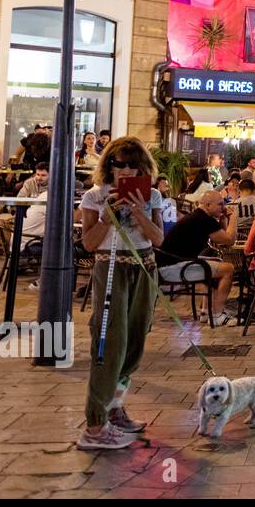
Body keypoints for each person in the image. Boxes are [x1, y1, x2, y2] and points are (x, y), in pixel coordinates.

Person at [77, 136, 165, 451]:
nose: (125, 170)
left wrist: (140, 211)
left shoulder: (152, 195)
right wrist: (106, 216)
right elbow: (88, 243)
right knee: (109, 340)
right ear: (109, 166)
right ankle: (95, 425)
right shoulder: (94, 196)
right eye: (118, 164)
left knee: (136, 342)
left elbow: (158, 240)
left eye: (132, 164)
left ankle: (114, 408)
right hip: (110, 267)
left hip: (144, 268)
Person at [157, 190, 238, 326]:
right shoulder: (204, 220)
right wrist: (234, 216)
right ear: (207, 205)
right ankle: (217, 315)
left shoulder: (199, 217)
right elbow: (229, 240)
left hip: (170, 264)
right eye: (219, 204)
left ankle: (206, 312)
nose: (223, 208)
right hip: (174, 268)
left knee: (216, 264)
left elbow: (221, 238)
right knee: (228, 269)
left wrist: (223, 219)